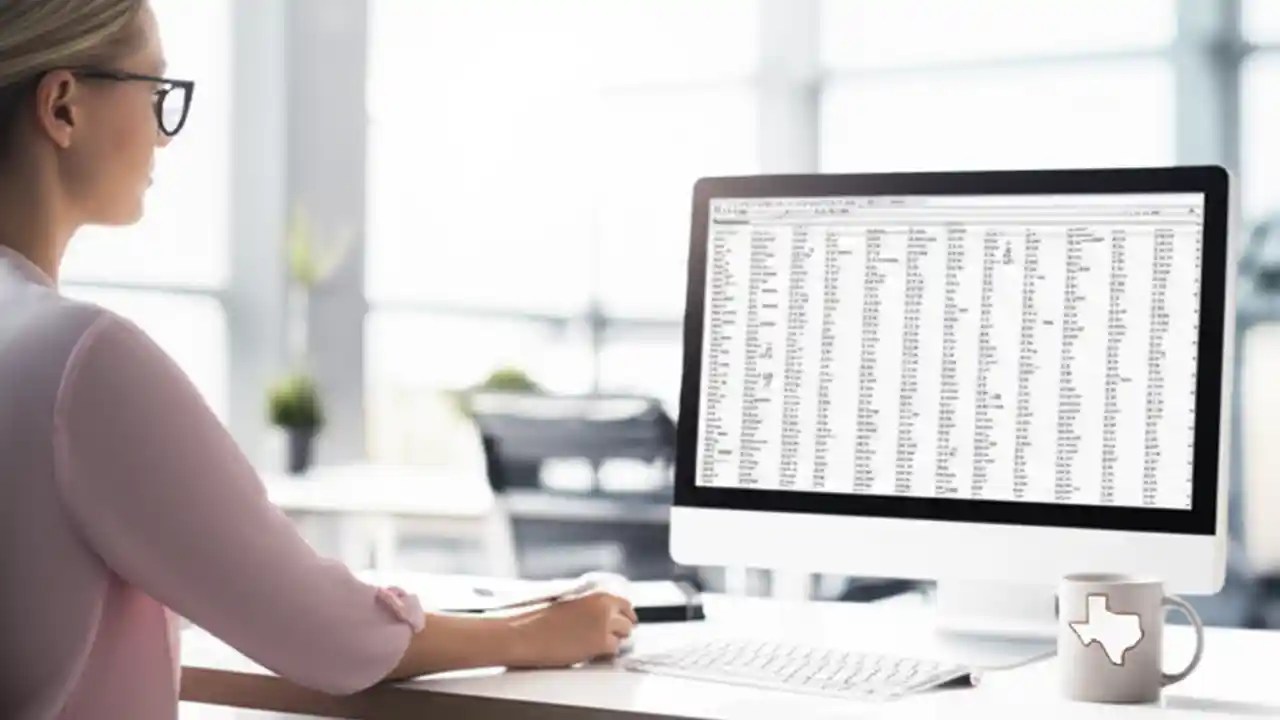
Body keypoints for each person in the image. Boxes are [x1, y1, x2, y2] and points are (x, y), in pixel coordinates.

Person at [0, 2, 636, 718]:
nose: (164, 136)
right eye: (156, 94)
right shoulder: (80, 360)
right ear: (62, 108)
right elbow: (322, 633)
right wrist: (536, 632)